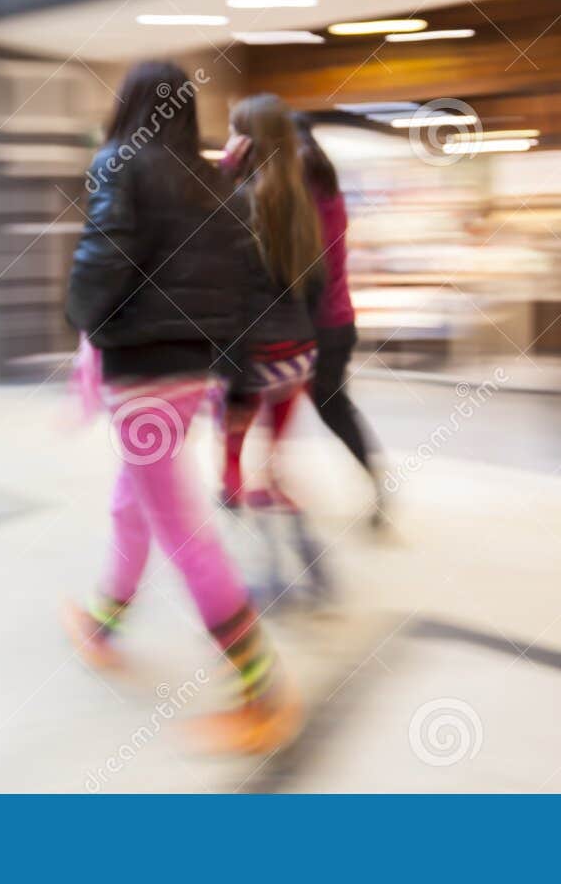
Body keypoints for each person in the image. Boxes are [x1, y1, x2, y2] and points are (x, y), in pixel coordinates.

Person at [61, 62, 301, 755]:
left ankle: (263, 688)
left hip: (138, 375)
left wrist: (79, 315)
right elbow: (236, 284)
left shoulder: (120, 163)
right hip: (189, 374)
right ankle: (103, 621)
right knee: (132, 499)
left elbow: (101, 260)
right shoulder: (213, 183)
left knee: (180, 527)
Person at [219, 94, 330, 601]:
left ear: (246, 143)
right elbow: (315, 283)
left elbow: (216, 271)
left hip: (255, 356)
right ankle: (278, 497)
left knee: (233, 414)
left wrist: (223, 175)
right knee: (274, 454)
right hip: (299, 353)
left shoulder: (240, 200)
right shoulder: (300, 200)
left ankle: (244, 494)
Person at [292, 112, 390, 530]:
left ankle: (259, 491)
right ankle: (373, 475)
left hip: (315, 324)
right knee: (333, 406)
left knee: (317, 403)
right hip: (338, 320)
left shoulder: (300, 195)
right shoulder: (328, 191)